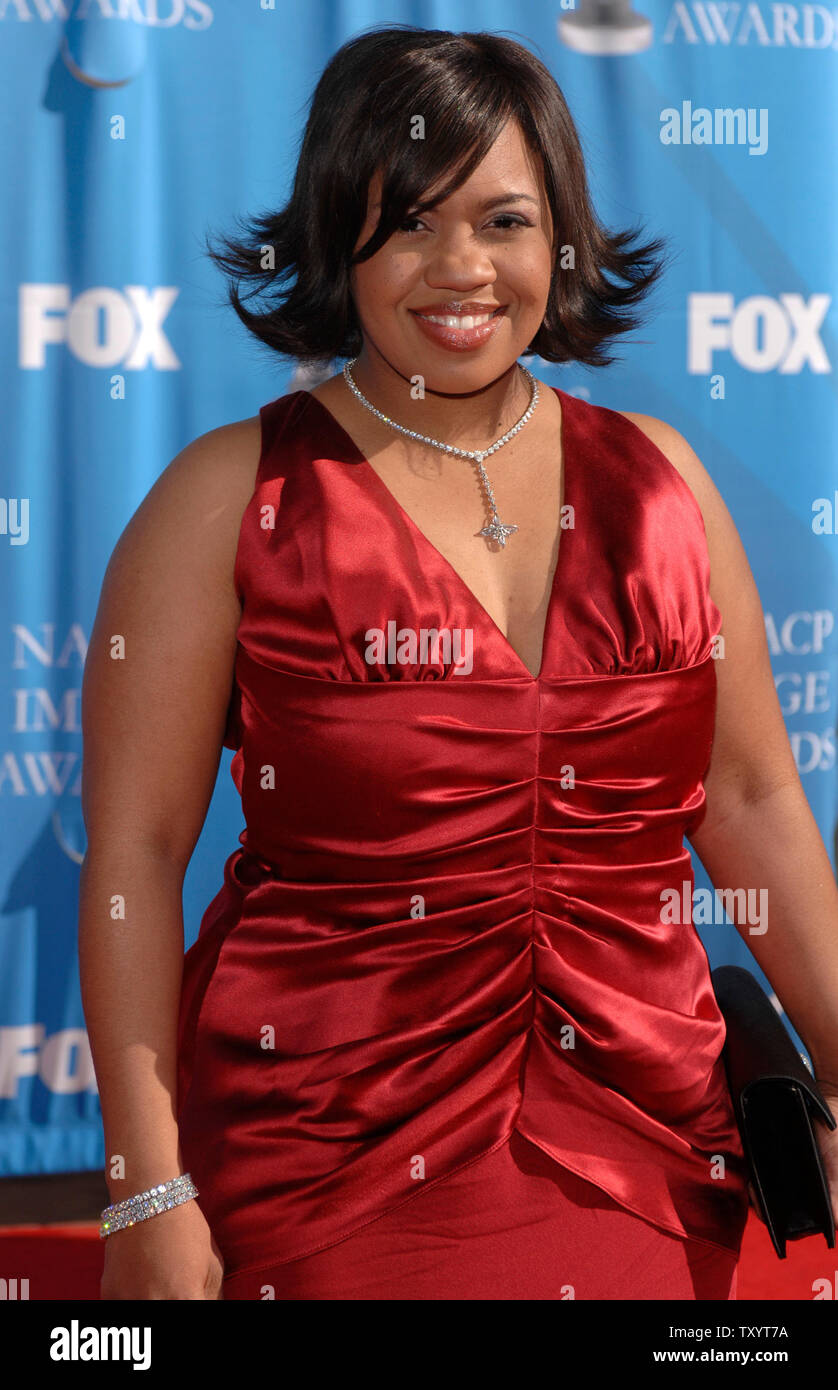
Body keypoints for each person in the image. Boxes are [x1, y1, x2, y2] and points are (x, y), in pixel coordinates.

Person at [79, 25, 838, 1301]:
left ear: (562, 240)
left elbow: (754, 804)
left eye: (504, 221)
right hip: (324, 1156)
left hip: (646, 1154)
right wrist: (145, 1187)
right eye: (409, 223)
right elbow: (136, 857)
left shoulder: (662, 489)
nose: (461, 269)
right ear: (337, 238)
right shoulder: (229, 497)